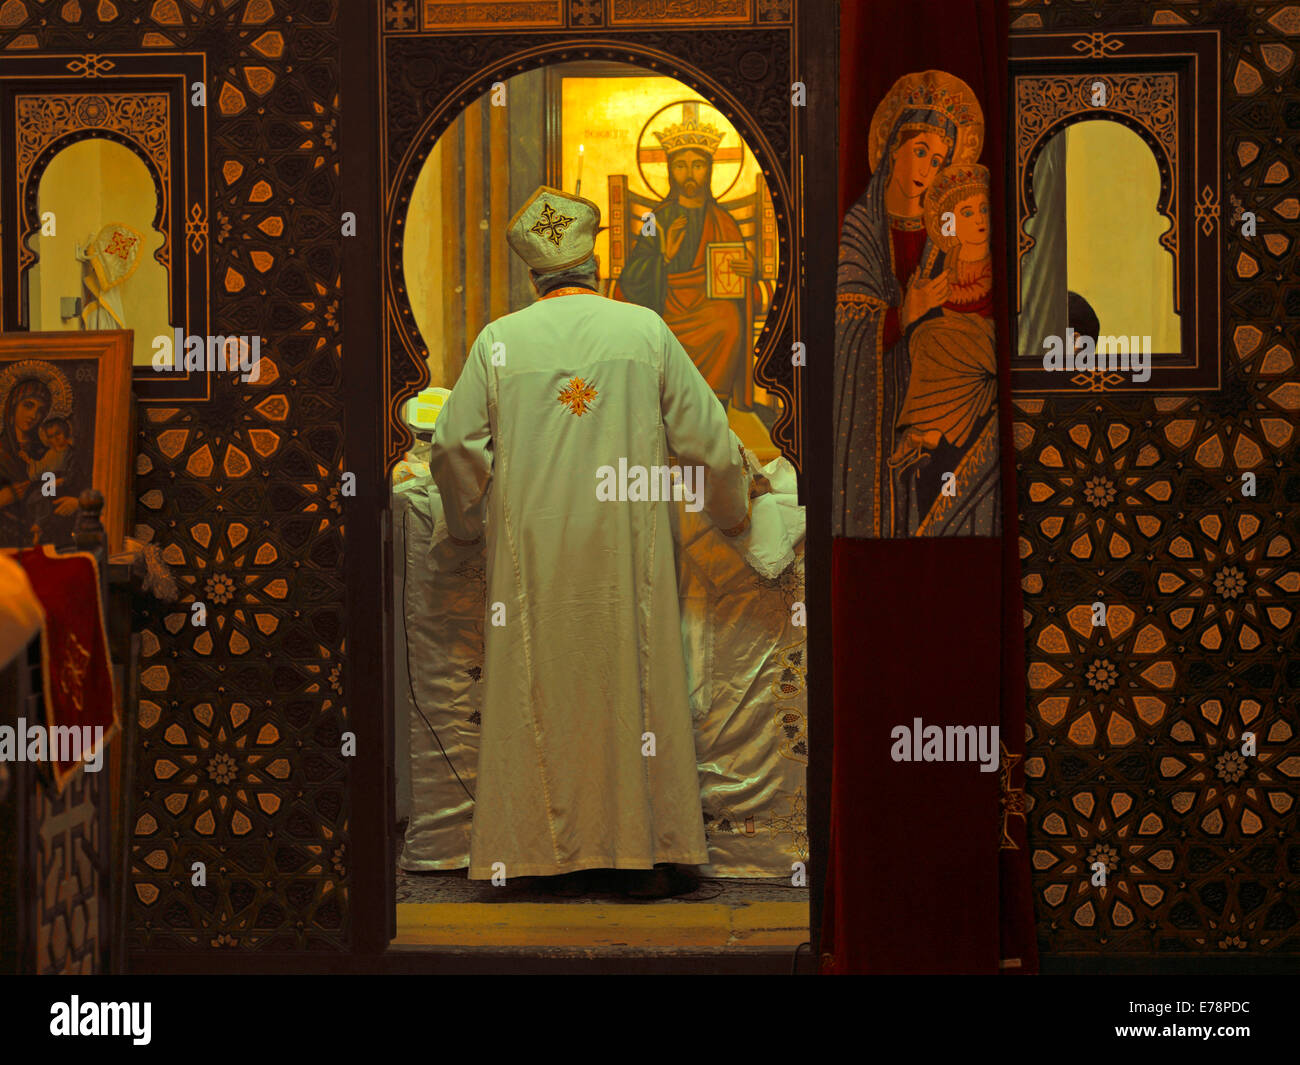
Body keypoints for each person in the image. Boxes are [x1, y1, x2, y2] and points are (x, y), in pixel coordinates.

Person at [429, 185, 754, 899]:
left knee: (536, 692)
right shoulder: (644, 331)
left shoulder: (499, 340)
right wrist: (732, 511)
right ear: (595, 257)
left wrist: (465, 524)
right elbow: (709, 442)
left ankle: (533, 856)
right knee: (634, 691)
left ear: (534, 273)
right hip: (627, 553)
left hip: (531, 561)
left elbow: (453, 446)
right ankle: (642, 852)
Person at [833, 70, 984, 538]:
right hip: (874, 404)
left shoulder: (947, 230)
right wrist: (904, 314)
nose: (925, 170)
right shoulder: (860, 227)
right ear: (893, 149)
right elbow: (843, 329)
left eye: (938, 162)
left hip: (940, 398)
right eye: (919, 152)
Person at [614, 112, 758, 410]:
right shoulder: (655, 219)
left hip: (708, 307)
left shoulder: (722, 221)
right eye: (681, 165)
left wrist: (749, 272)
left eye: (697, 165)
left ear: (709, 170)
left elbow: (737, 280)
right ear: (670, 171)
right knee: (653, 328)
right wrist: (663, 258)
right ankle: (665, 404)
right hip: (665, 302)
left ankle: (713, 405)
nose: (689, 174)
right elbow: (633, 276)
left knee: (728, 320)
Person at [889, 163, 1000, 535]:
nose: (979, 219)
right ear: (948, 223)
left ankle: (929, 432)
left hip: (985, 362)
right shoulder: (936, 274)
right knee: (928, 337)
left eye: (984, 209)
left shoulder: (1004, 268)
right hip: (949, 369)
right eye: (966, 212)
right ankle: (926, 431)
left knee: (938, 336)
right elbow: (913, 334)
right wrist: (913, 314)